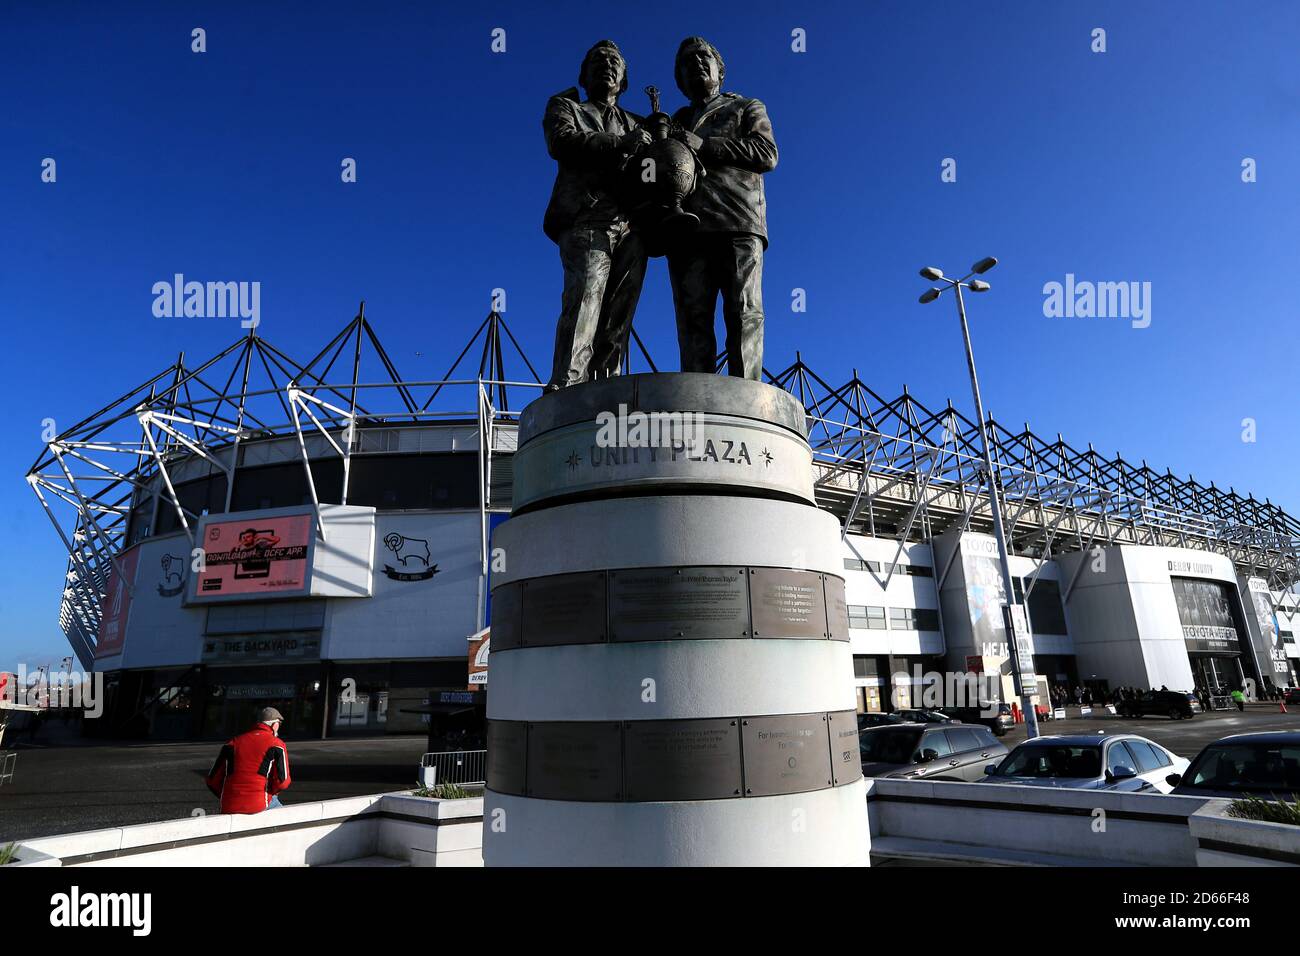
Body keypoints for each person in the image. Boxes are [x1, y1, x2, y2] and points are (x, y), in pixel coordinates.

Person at [665, 36, 778, 380]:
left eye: (704, 57)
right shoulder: (674, 120)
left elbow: (766, 153)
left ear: (720, 71)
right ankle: (698, 396)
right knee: (691, 317)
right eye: (688, 62)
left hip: (737, 219)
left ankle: (744, 395)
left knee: (743, 311)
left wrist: (706, 145)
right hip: (686, 228)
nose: (696, 63)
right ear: (681, 79)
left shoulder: (746, 107)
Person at [542, 39, 650, 389]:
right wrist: (620, 145)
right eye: (599, 61)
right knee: (585, 299)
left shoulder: (639, 123)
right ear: (585, 76)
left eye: (615, 62)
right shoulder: (566, 107)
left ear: (624, 80)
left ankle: (607, 386)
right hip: (586, 218)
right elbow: (563, 143)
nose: (608, 65)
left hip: (632, 226)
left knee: (619, 314)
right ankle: (567, 386)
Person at [205, 706, 292, 813]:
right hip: (259, 804)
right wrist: (270, 793)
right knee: (284, 817)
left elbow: (211, 780)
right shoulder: (277, 744)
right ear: (275, 725)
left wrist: (229, 796)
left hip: (229, 804)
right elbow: (283, 782)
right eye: (279, 724)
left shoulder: (231, 743)